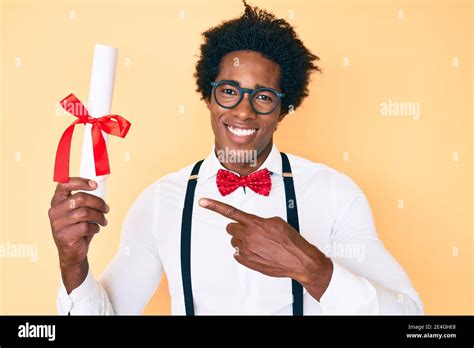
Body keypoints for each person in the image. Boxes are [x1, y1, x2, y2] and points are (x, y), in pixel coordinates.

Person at [49, 1, 423, 315]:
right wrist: (72, 263)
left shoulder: (334, 194)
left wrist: (313, 270)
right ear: (209, 97)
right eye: (229, 91)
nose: (243, 112)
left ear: (284, 108)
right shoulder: (160, 202)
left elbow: (414, 320)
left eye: (262, 96)